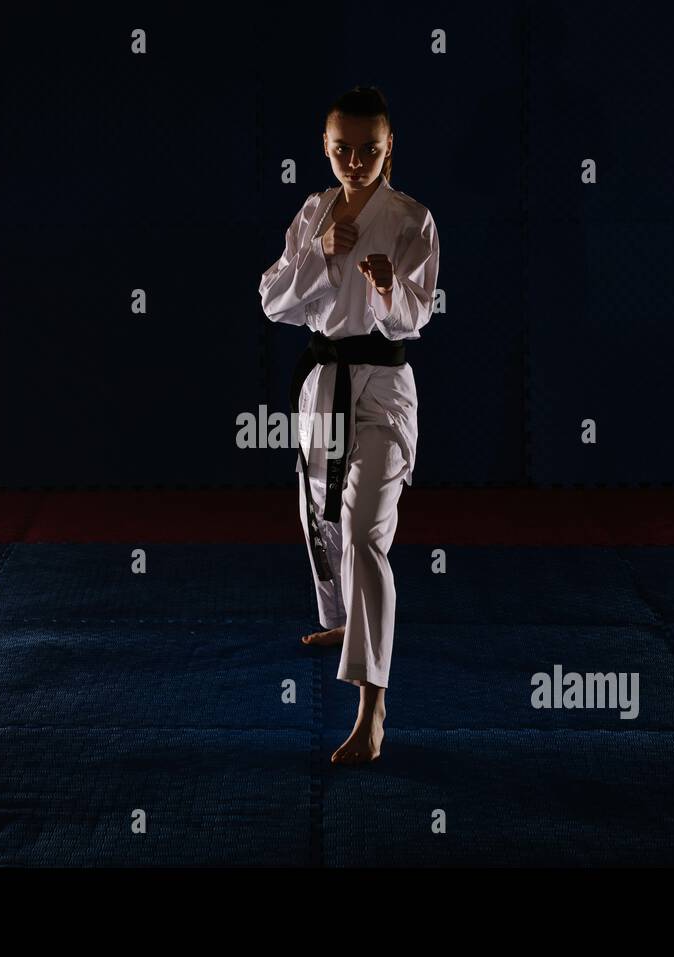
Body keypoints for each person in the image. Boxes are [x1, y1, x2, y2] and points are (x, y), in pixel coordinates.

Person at [257, 85, 440, 764]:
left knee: (366, 532)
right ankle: (341, 621)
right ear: (325, 147)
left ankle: (372, 708)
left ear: (389, 147)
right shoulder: (313, 212)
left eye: (368, 148)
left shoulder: (414, 219)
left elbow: (416, 319)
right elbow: (273, 300)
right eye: (342, 148)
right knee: (319, 516)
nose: (355, 160)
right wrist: (318, 254)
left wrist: (391, 287)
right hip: (321, 380)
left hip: (384, 387)